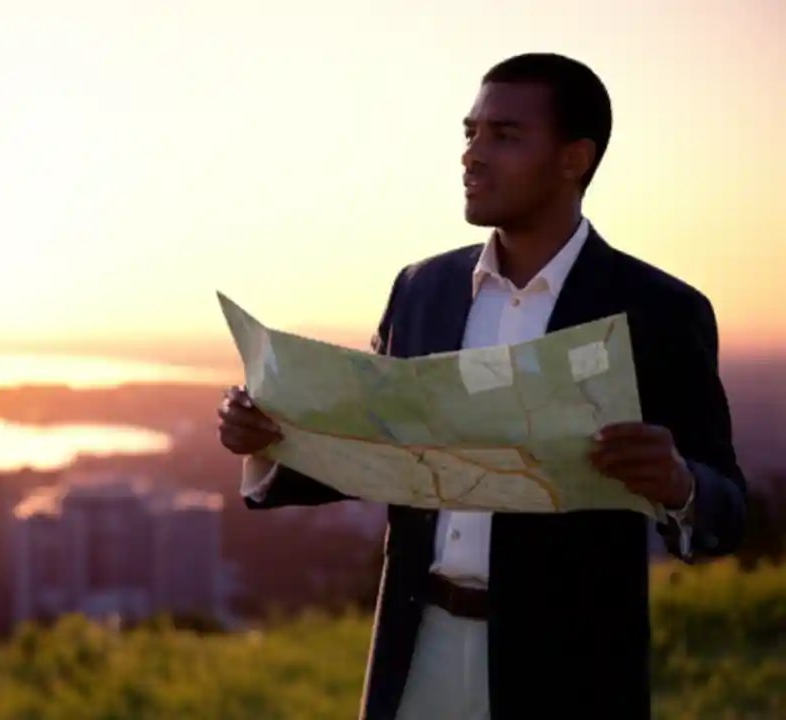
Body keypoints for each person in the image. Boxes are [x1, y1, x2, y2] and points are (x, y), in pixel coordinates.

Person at [217, 53, 746, 720]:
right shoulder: (422, 289)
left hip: (571, 670)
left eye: (504, 135)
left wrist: (678, 483)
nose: (472, 155)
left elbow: (727, 510)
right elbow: (383, 451)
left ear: (573, 159)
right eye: (469, 133)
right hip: (417, 650)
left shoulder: (659, 310)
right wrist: (270, 438)